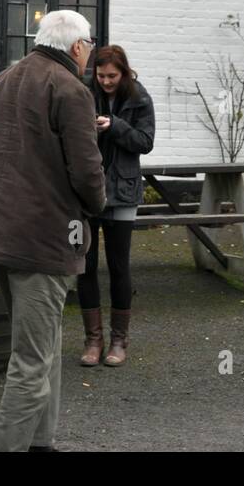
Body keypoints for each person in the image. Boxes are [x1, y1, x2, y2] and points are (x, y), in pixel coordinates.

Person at [0, 10, 106, 452]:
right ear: (78, 47)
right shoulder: (71, 89)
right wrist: (97, 205)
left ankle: (42, 443)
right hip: (44, 238)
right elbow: (87, 172)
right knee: (31, 360)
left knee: (42, 345)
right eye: (89, 48)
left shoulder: (2, 81)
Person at [79, 45, 155, 368]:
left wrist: (115, 125)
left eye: (112, 75)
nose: (106, 81)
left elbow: (146, 142)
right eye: (101, 75)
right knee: (86, 265)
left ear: (124, 72)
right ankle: (93, 340)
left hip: (123, 191)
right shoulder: (83, 92)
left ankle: (119, 340)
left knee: (119, 267)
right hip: (88, 192)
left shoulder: (139, 97)